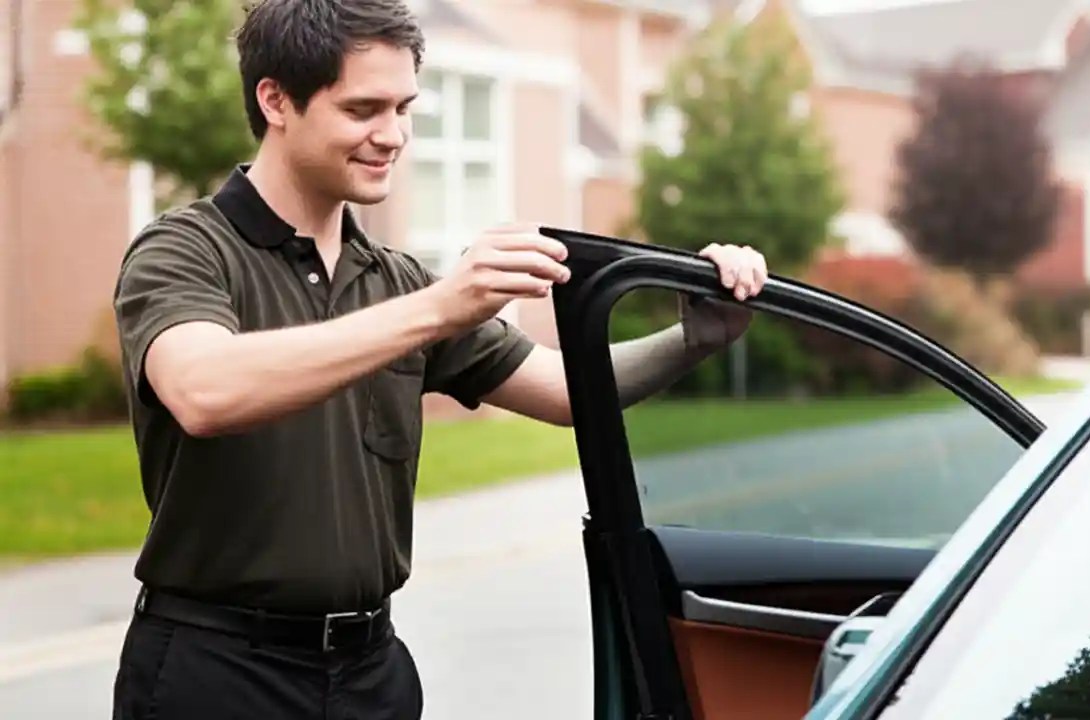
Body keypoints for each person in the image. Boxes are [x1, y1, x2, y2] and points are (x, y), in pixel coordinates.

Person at [108, 1, 767, 718]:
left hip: (372, 675)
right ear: (276, 101)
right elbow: (205, 391)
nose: (392, 136)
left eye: (402, 108)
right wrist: (441, 307)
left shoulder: (395, 279)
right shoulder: (184, 250)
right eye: (363, 109)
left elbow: (567, 393)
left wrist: (695, 338)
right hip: (216, 674)